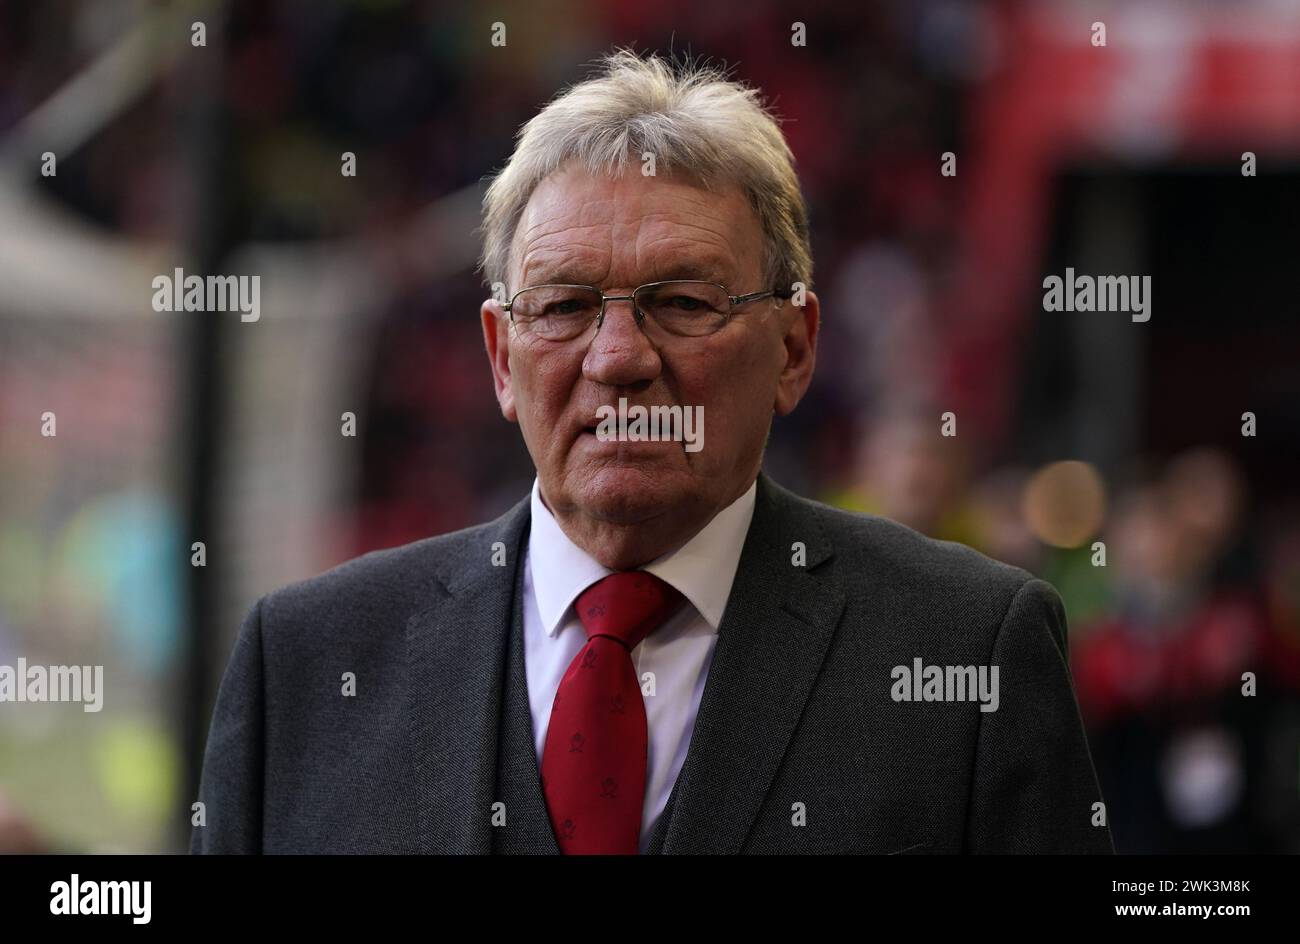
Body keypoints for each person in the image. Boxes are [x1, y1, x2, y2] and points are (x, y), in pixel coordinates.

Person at [192, 49, 1112, 854]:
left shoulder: (971, 648)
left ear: (793, 349)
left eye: (684, 302)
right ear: (499, 359)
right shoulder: (307, 664)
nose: (619, 358)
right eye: (561, 306)